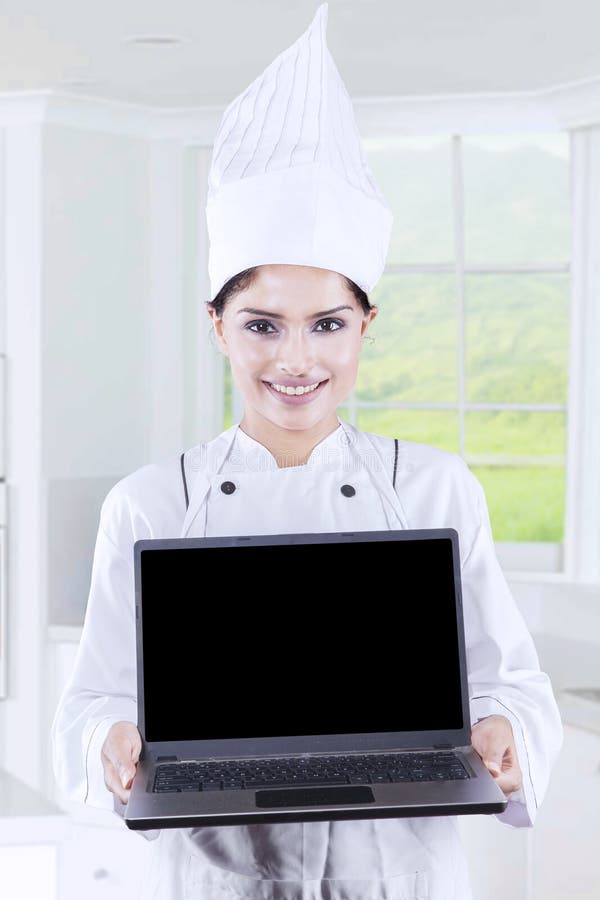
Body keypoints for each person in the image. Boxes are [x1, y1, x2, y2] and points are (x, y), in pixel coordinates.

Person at [50, 5, 563, 899]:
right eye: (262, 326)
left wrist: (505, 736)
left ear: (366, 325)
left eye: (328, 324)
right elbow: (92, 700)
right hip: (217, 876)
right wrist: (110, 744)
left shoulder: (436, 486)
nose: (296, 360)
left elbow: (510, 679)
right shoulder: (150, 502)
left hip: (401, 874)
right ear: (216, 328)